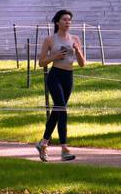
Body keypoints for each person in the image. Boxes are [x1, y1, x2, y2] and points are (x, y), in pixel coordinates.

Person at [35, 9, 86, 162]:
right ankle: (64, 148)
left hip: (68, 77)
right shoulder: (50, 40)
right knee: (62, 109)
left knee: (57, 111)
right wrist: (54, 56)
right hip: (55, 76)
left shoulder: (75, 39)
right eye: (64, 19)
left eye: (69, 20)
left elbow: (82, 63)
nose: (67, 22)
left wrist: (77, 50)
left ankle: (43, 143)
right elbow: (41, 62)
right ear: (58, 22)